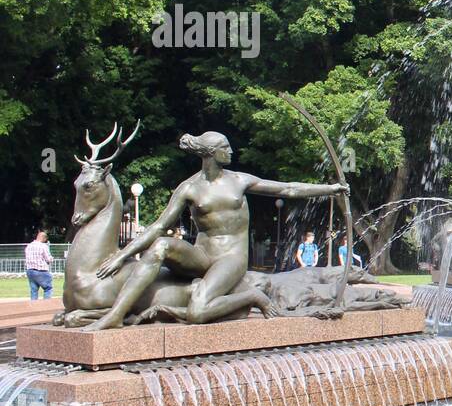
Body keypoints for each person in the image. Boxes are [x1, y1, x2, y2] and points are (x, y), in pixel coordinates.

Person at [87, 132, 346, 330]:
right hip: (201, 255)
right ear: (211, 153)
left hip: (230, 258)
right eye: (225, 148)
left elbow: (288, 189)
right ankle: (115, 316)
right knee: (162, 244)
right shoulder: (189, 187)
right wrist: (122, 256)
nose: (231, 151)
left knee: (197, 313)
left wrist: (330, 189)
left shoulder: (239, 180)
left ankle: (251, 296)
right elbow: (158, 226)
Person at [25, 230, 54, 300]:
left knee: (34, 290)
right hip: (41, 270)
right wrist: (52, 259)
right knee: (48, 288)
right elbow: (48, 259)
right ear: (44, 238)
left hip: (30, 270)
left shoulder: (29, 246)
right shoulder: (43, 246)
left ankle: (33, 307)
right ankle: (47, 305)